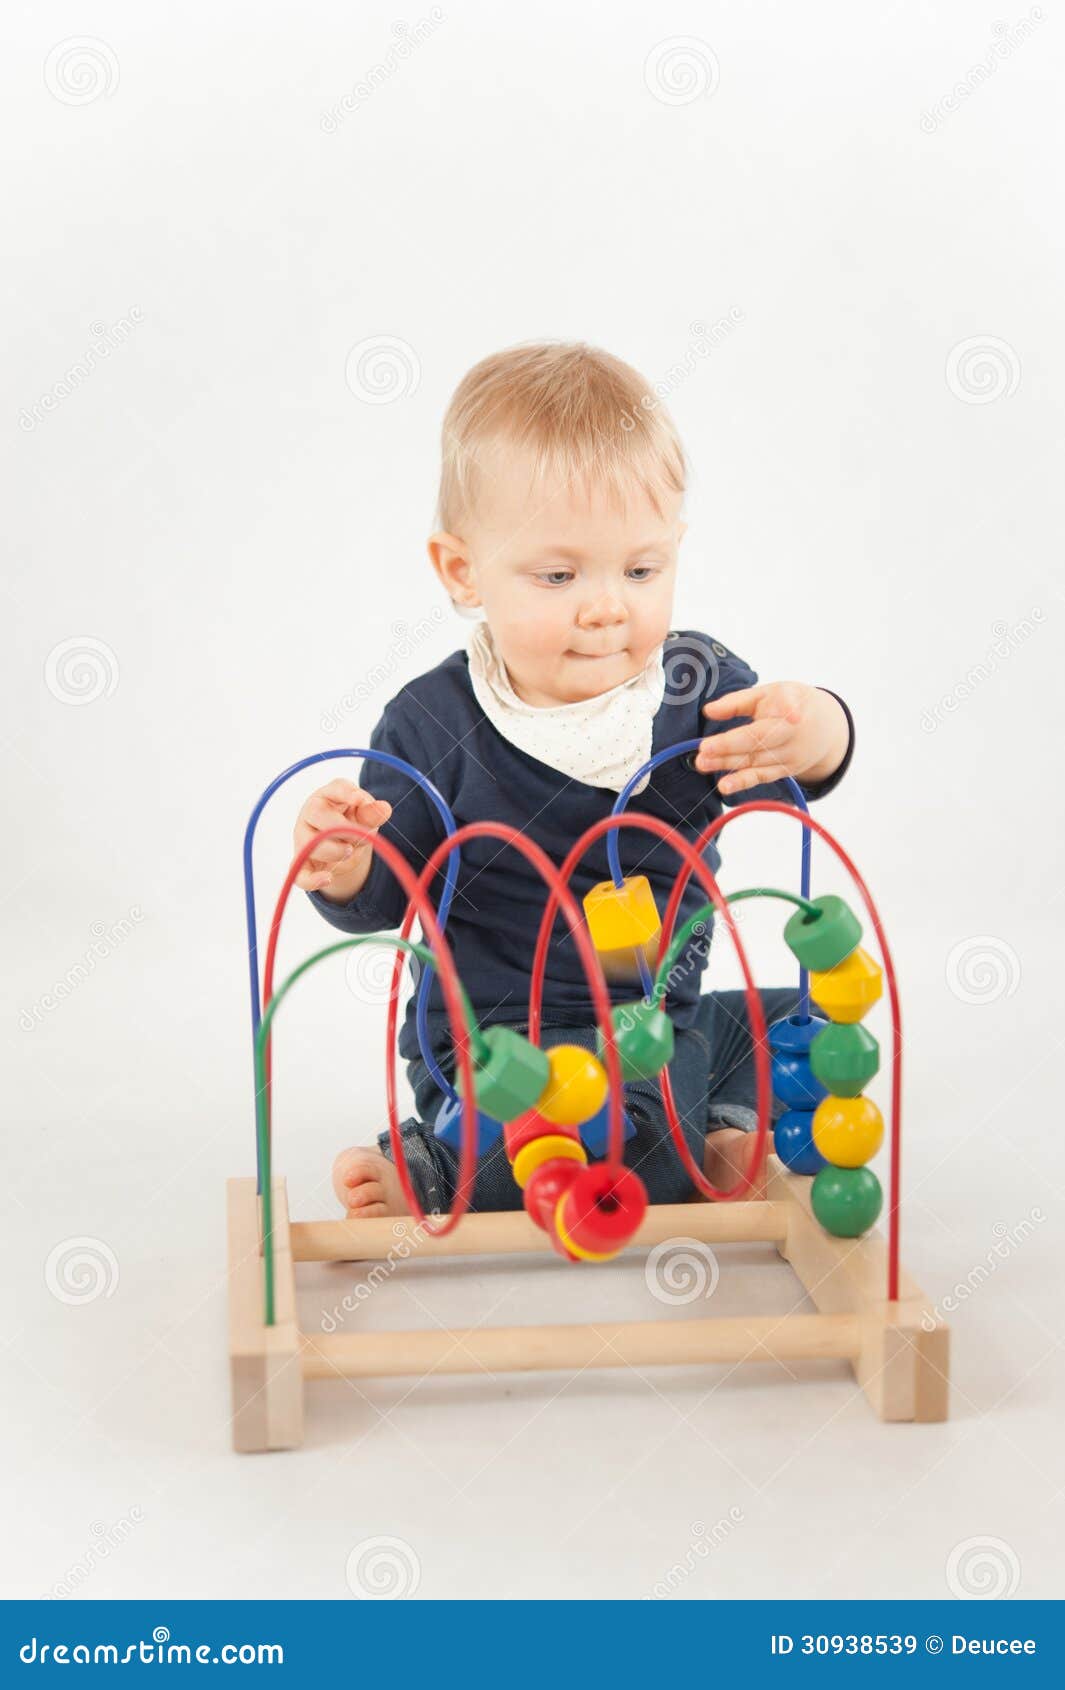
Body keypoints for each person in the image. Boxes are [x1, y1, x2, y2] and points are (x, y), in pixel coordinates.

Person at [292, 342, 853, 1218]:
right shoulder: (433, 722)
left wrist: (819, 729)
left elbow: (790, 773)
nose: (605, 607)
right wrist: (346, 859)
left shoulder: (693, 687)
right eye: (557, 575)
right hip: (499, 1041)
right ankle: (441, 1168)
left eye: (640, 570)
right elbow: (378, 899)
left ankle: (709, 1113)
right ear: (462, 571)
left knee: (800, 1030)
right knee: (625, 1155)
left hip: (656, 1019)